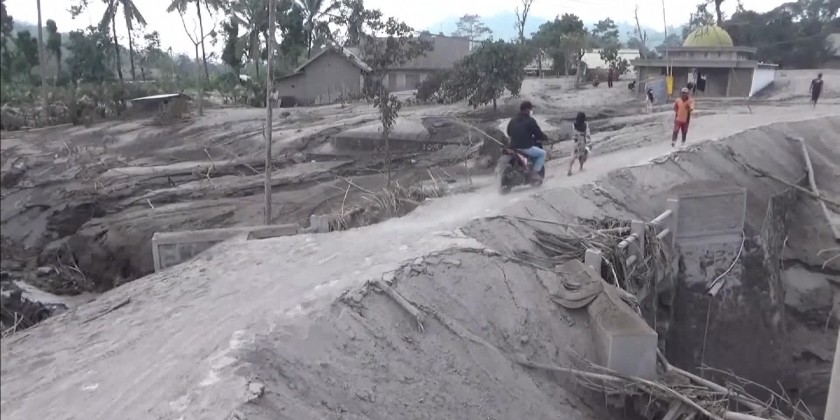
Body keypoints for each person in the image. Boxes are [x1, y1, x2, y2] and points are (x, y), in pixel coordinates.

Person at [506, 101, 548, 182]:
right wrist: (545, 138)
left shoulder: (512, 120)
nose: (531, 111)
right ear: (527, 110)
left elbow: (509, 132)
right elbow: (538, 133)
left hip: (513, 147)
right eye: (531, 109)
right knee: (542, 153)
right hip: (525, 147)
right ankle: (534, 174)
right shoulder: (530, 120)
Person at [568, 112, 591, 176]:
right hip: (582, 142)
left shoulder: (574, 125)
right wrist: (589, 142)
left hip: (575, 142)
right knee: (582, 155)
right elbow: (588, 134)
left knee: (573, 155)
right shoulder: (585, 125)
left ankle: (570, 169)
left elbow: (572, 133)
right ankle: (581, 167)